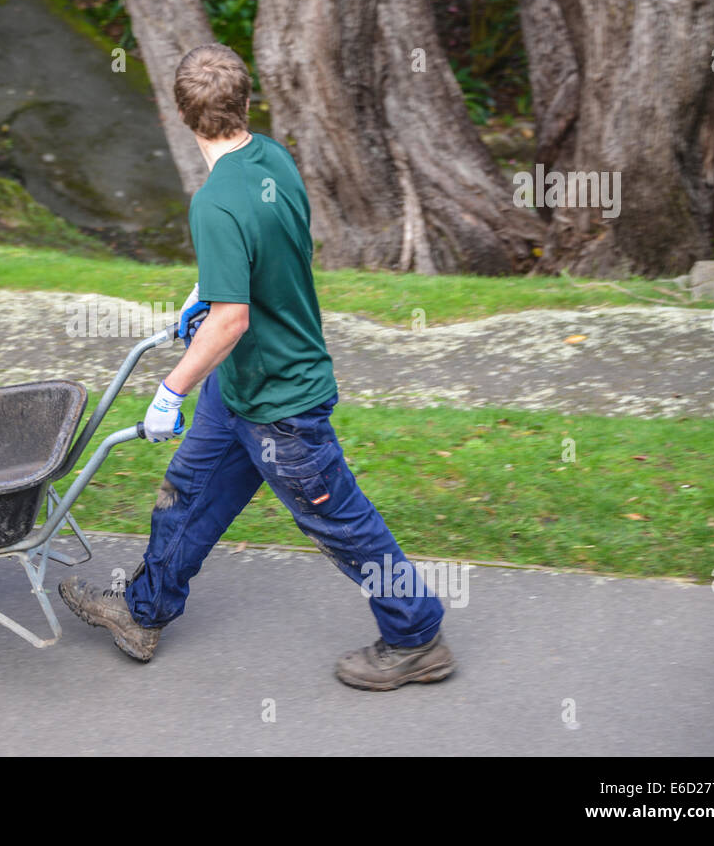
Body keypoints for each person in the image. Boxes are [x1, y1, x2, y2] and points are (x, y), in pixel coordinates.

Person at [59, 43, 455, 691]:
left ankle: (417, 636)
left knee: (342, 524)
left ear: (182, 114)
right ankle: (141, 611)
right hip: (239, 389)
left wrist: (169, 388)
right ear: (245, 103)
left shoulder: (215, 201)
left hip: (283, 404)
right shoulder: (272, 158)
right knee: (186, 496)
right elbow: (262, 262)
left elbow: (232, 321)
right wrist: (206, 290)